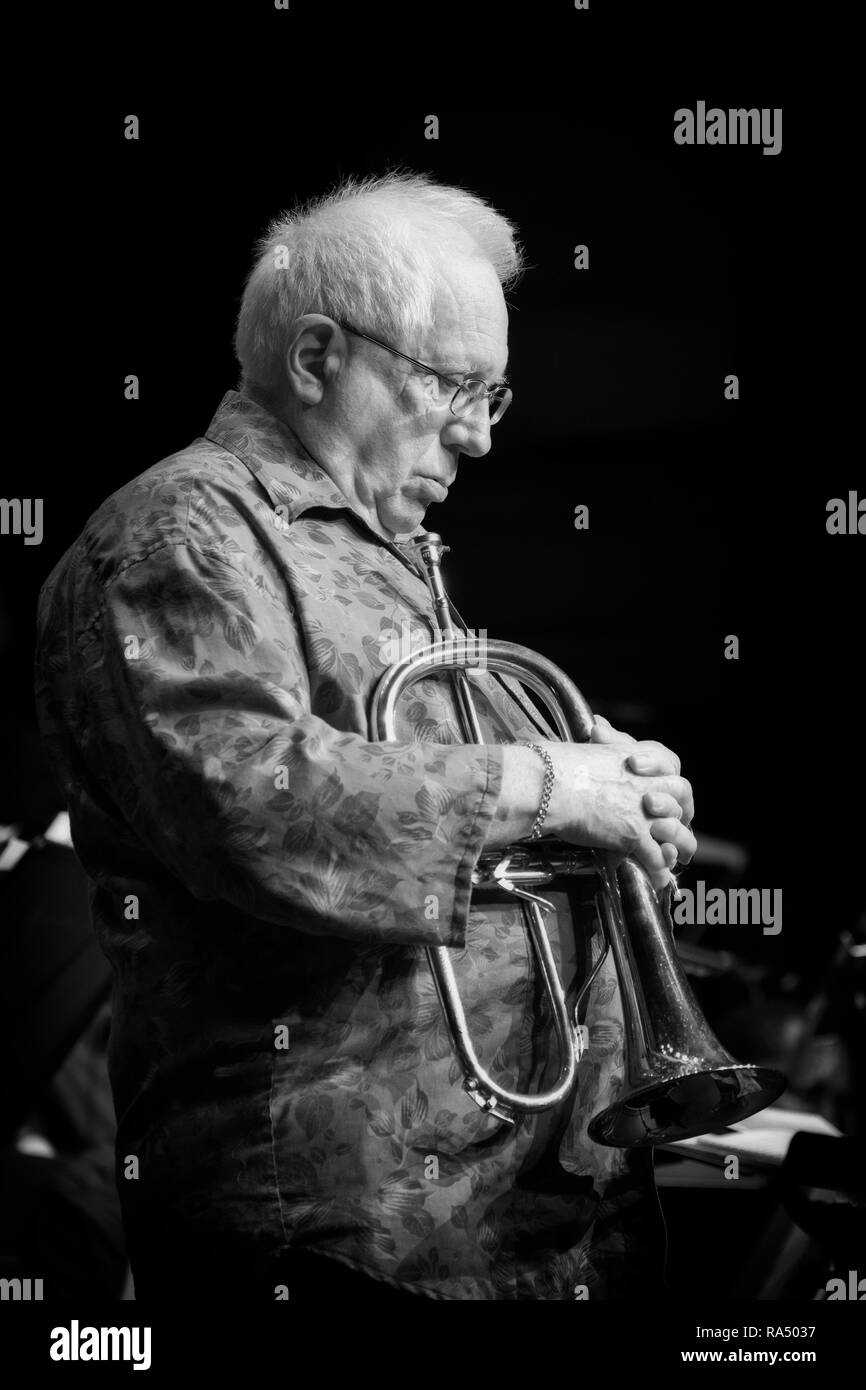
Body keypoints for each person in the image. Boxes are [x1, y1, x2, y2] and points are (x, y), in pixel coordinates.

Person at [34, 171, 695, 1302]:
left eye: (496, 395)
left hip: (517, 1226)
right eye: (450, 385)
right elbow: (249, 803)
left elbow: (470, 816)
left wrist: (615, 794)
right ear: (314, 358)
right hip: (343, 1240)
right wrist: (545, 783)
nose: (479, 438)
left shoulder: (385, 554)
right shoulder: (180, 530)